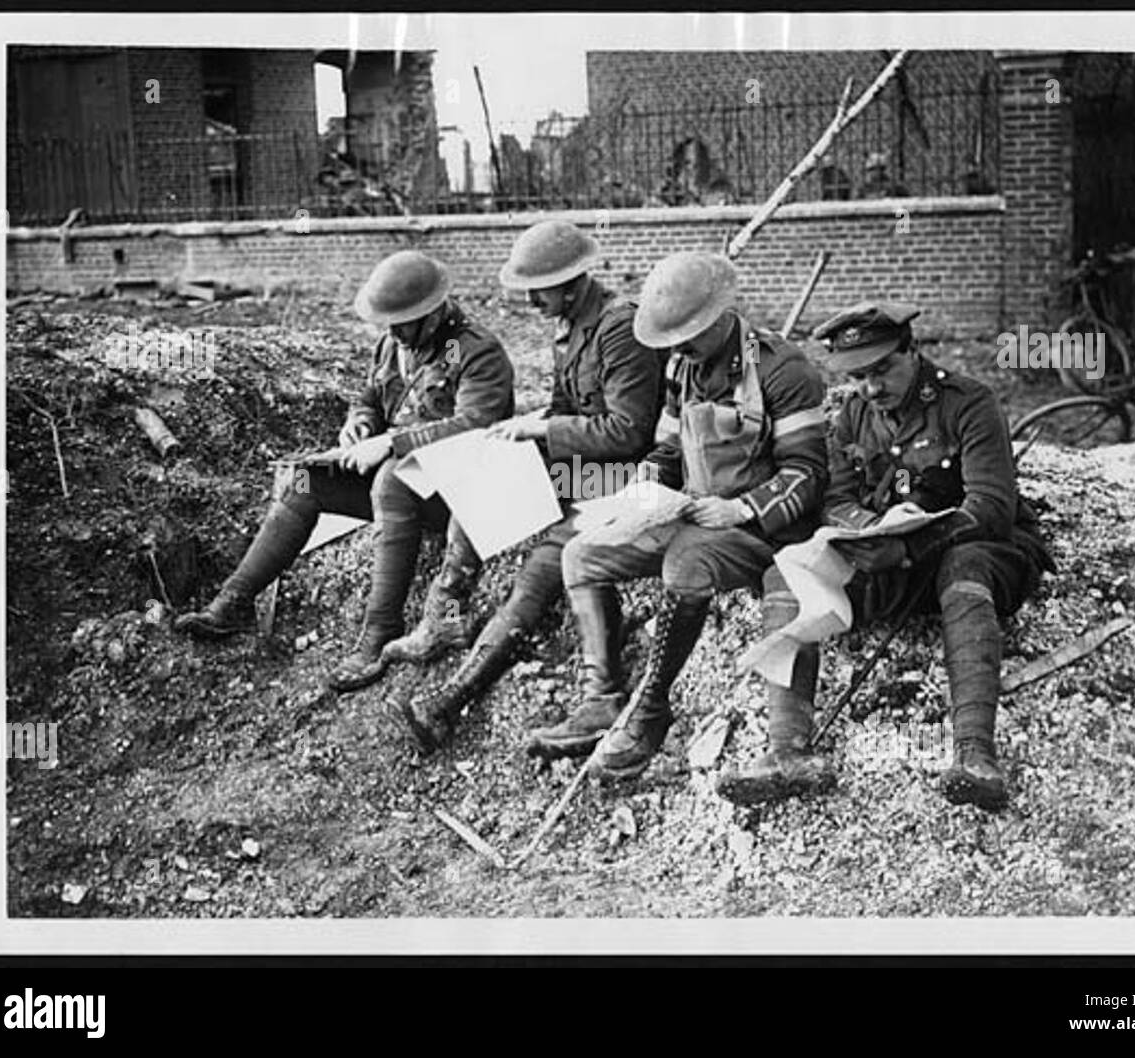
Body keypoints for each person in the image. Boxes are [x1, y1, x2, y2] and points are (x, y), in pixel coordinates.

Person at [716, 301, 1055, 810]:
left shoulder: (969, 403)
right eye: (857, 377)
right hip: (892, 555)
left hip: (975, 550)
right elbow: (839, 499)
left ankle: (975, 756)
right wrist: (865, 531)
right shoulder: (851, 415)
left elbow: (991, 506)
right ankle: (787, 752)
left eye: (881, 370)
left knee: (966, 567)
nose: (870, 387)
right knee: (784, 573)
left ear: (911, 351)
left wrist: (910, 544)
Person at [525, 251, 831, 776]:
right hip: (690, 515)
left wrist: (740, 509)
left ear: (717, 318)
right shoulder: (682, 367)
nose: (680, 349)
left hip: (761, 533)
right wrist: (645, 485)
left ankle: (651, 712)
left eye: (688, 336)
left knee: (686, 563)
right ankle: (602, 698)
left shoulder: (782, 369)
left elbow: (807, 473)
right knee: (581, 555)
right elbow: (668, 449)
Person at [174, 250, 514, 694]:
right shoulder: (394, 344)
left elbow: (477, 424)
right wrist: (360, 424)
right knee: (305, 479)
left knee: (393, 478)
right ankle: (232, 602)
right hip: (399, 475)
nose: (393, 332)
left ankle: (379, 634)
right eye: (388, 323)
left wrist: (391, 443)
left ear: (431, 314)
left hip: (459, 494)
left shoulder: (474, 351)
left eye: (403, 322)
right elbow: (369, 395)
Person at [398, 220, 664, 751]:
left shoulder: (619, 327)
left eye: (538, 288)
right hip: (583, 468)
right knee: (485, 468)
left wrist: (542, 428)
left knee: (546, 562)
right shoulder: (570, 326)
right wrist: (527, 429)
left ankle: (466, 694)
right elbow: (571, 407)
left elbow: (629, 431)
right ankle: (446, 614)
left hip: (624, 478)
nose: (528, 299)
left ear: (571, 283)